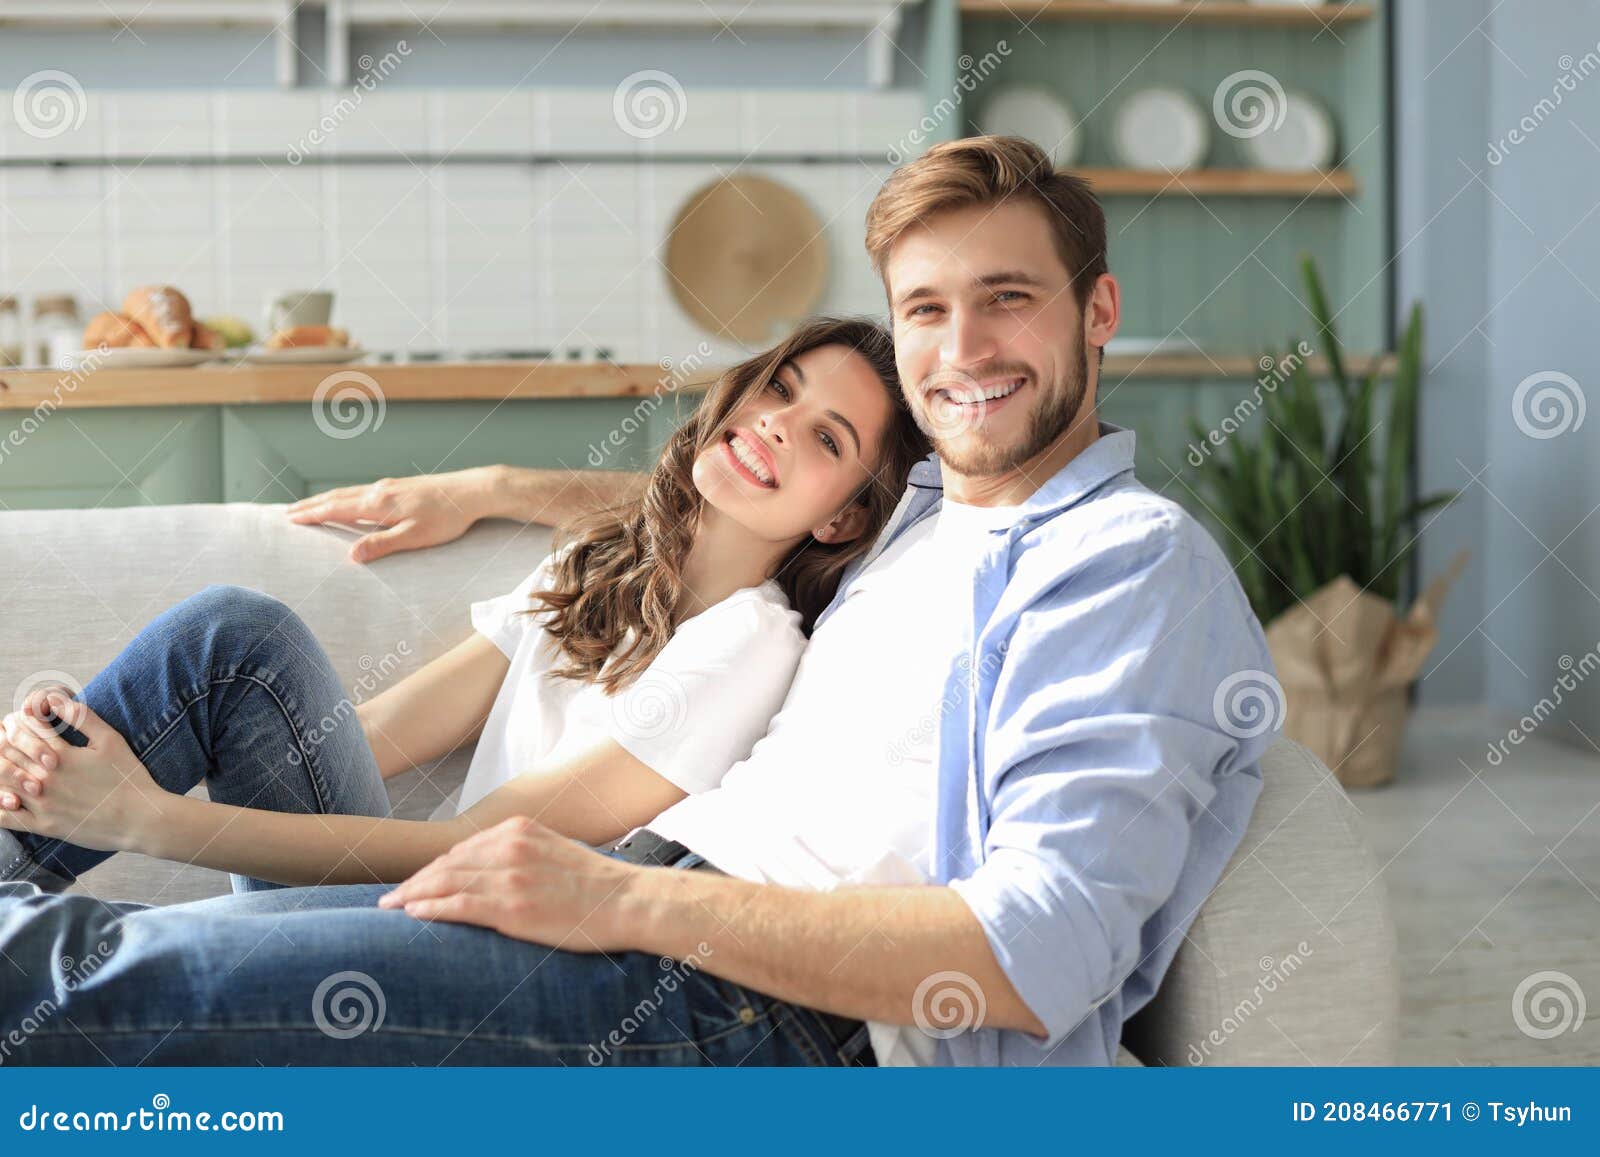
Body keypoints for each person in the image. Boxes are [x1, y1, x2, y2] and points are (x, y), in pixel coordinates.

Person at [0, 135, 1279, 1067]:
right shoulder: (928, 515)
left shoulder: (1124, 563)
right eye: (925, 312)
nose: (964, 351)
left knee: (84, 984)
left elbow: (1036, 952)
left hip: (757, 1015)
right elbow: (727, 503)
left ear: (1097, 311)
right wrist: (494, 484)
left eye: (1009, 299)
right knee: (219, 670)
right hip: (643, 929)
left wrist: (617, 897)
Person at [0, 317, 923, 892]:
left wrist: (145, 819)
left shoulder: (752, 646)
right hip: (390, 896)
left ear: (843, 516)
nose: (773, 424)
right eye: (780, 388)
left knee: (243, 637)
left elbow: (479, 841)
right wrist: (121, 747)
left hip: (459, 939)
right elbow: (360, 738)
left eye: (824, 437)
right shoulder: (602, 562)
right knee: (231, 643)